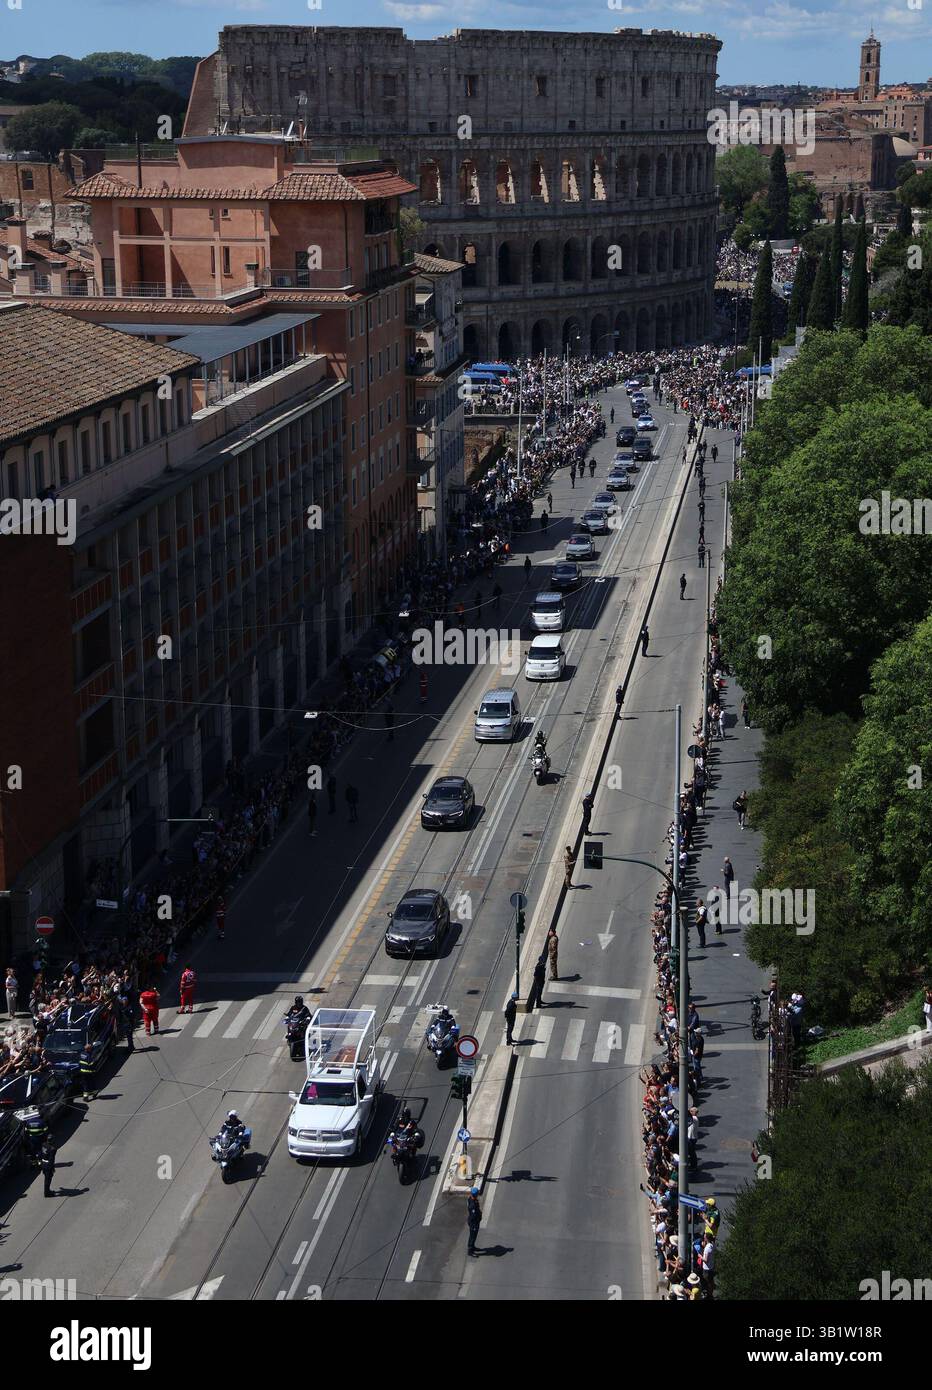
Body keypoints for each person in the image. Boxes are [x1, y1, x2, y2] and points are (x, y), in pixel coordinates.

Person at [466, 1187, 482, 1255]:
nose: (478, 1195)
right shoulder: (472, 1205)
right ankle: (470, 1251)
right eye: (477, 1194)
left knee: (474, 1236)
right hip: (474, 1223)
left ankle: (472, 1247)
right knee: (472, 1236)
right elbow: (473, 1216)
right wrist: (474, 1225)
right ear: (475, 1195)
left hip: (475, 1222)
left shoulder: (471, 1198)